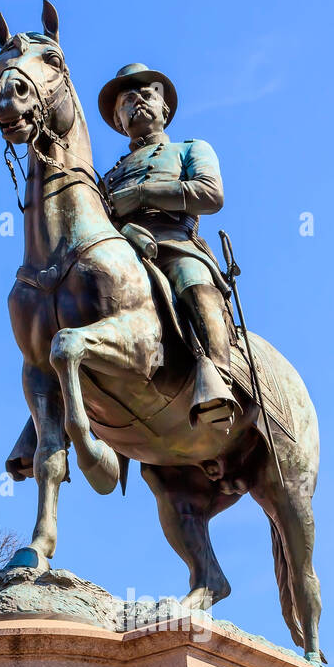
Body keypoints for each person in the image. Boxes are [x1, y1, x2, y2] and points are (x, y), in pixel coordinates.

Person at [98, 62, 236, 428]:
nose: (138, 100)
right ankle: (50, 409)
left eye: (148, 95)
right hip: (123, 251)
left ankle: (217, 377)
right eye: (127, 99)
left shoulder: (191, 149)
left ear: (166, 109)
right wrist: (125, 232)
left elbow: (210, 194)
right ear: (118, 119)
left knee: (193, 282)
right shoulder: (107, 177)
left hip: (176, 244)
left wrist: (142, 194)